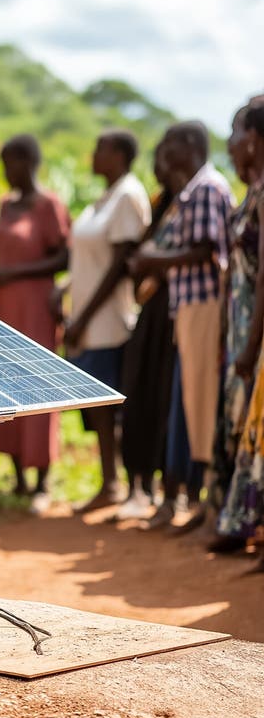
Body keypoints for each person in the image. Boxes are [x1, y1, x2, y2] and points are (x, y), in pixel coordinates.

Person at [130, 122, 233, 533]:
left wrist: (153, 262)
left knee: (203, 402)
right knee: (190, 403)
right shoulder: (191, 191)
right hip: (188, 305)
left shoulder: (207, 188)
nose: (163, 151)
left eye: (170, 143)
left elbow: (207, 250)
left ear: (188, 146)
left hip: (204, 304)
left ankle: (206, 501)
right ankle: (199, 501)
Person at [66, 129, 151, 511]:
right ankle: (111, 482)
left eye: (99, 149)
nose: (92, 155)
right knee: (97, 409)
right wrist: (64, 291)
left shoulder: (128, 196)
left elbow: (119, 265)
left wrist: (81, 316)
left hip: (107, 321)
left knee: (108, 409)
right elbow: (92, 259)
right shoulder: (106, 197)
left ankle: (124, 485)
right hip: (88, 320)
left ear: (118, 154)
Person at [0, 134, 70, 505]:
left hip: (35, 308)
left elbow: (63, 259)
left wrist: (14, 275)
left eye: (10, 163)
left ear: (28, 162)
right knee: (4, 384)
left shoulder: (49, 205)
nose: (6, 171)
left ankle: (43, 482)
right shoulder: (6, 205)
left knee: (38, 385)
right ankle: (18, 474)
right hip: (4, 309)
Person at [210, 96, 264, 563]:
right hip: (240, 325)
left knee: (255, 425)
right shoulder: (253, 192)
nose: (230, 144)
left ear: (254, 139)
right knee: (241, 424)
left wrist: (250, 343)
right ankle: (244, 523)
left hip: (255, 328)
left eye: (236, 134)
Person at [117, 142, 175, 519]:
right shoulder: (158, 204)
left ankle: (160, 488)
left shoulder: (186, 206)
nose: (159, 168)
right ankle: (137, 485)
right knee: (136, 395)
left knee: (161, 399)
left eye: (164, 161)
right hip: (148, 313)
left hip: (169, 315)